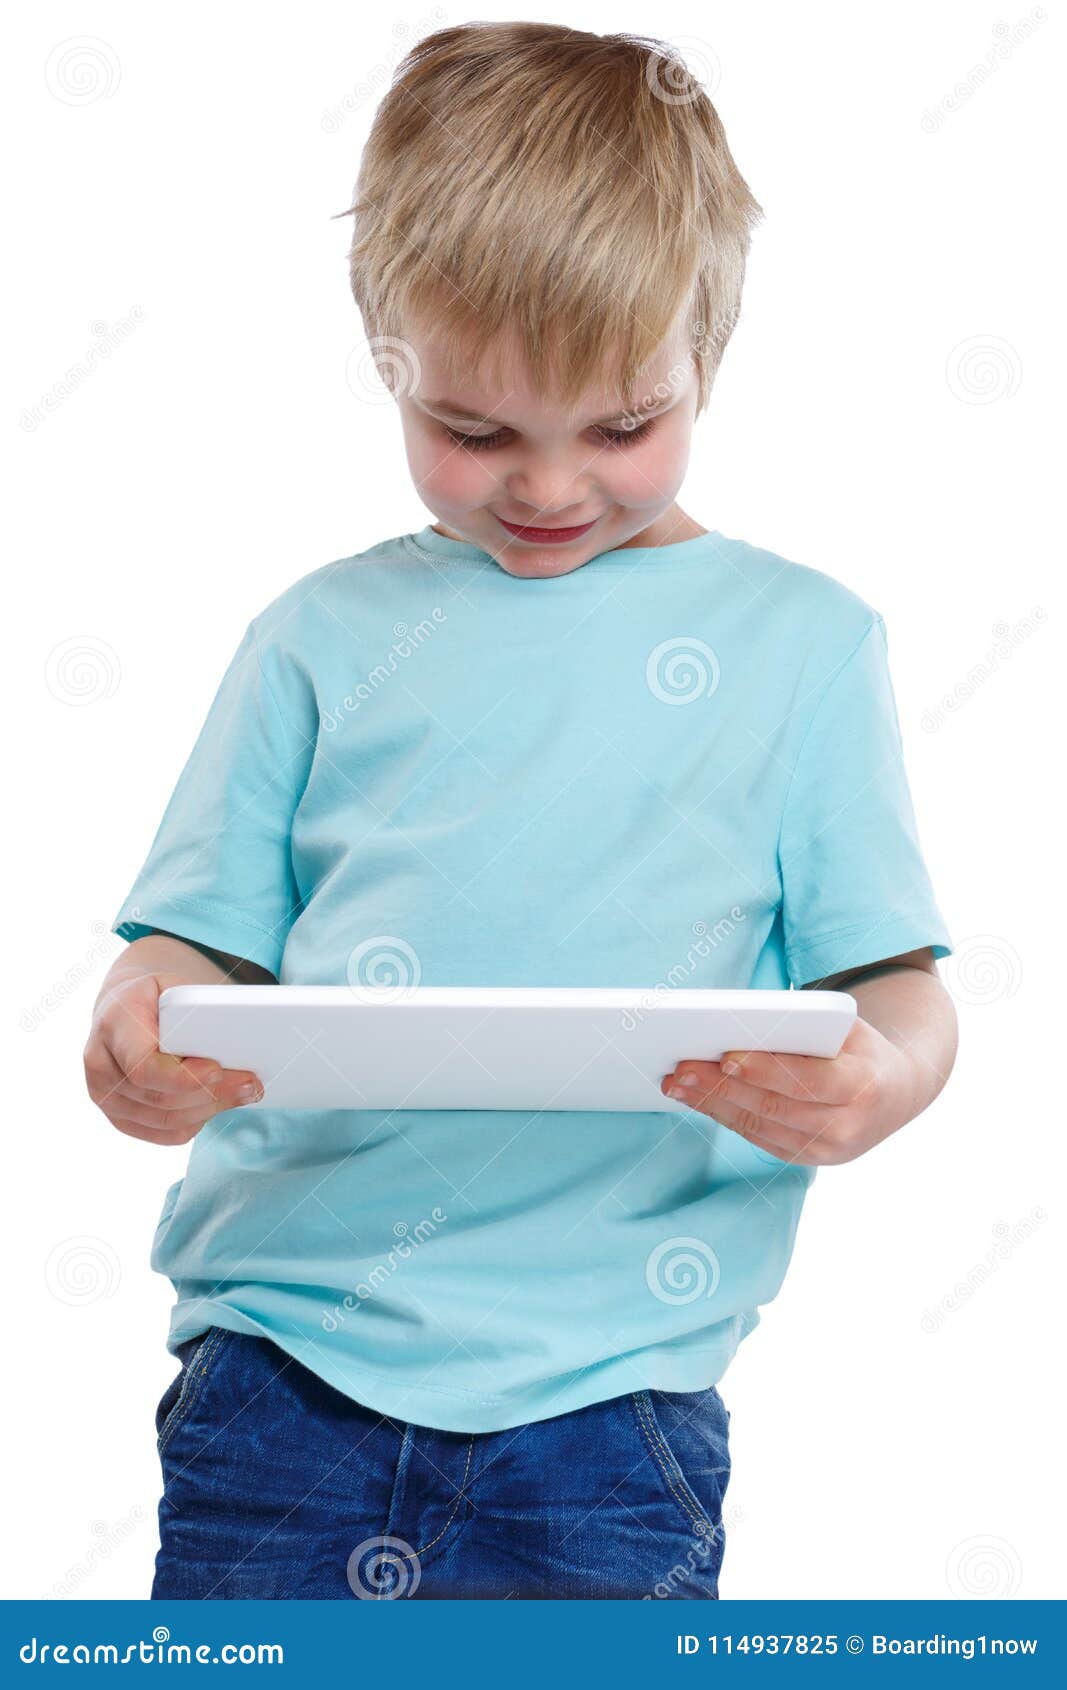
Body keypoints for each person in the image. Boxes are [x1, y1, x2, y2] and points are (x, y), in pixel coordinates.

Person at [83, 21, 958, 1600]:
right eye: (473, 433)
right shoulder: (315, 638)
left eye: (622, 427)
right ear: (389, 358)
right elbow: (184, 950)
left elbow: (898, 985)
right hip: (283, 1367)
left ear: (711, 354)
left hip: (616, 1404)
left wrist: (883, 1082)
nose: (549, 488)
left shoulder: (807, 647)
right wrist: (141, 1036)